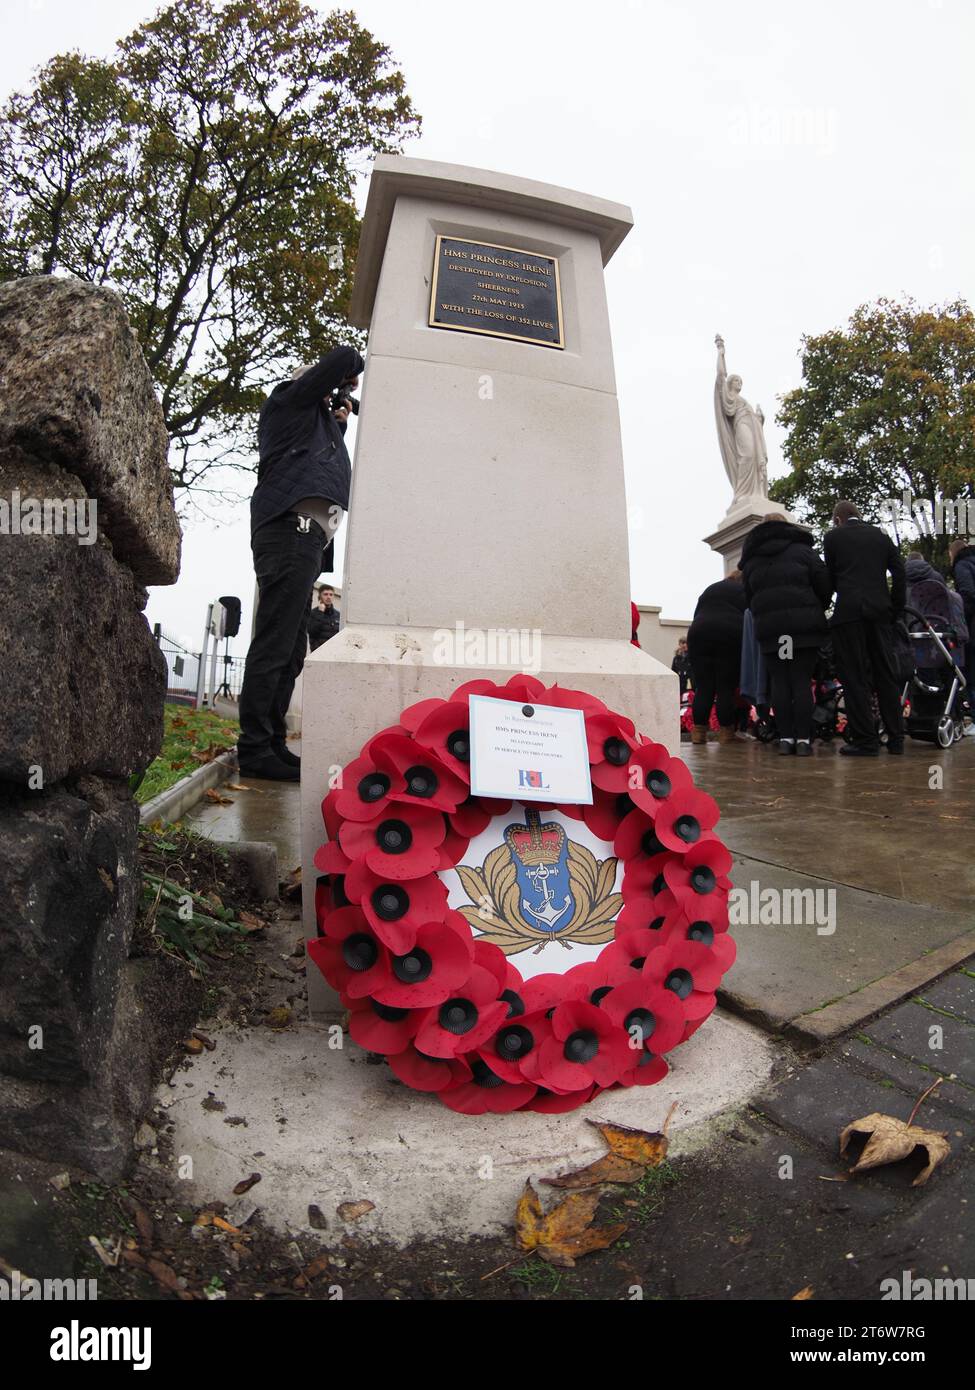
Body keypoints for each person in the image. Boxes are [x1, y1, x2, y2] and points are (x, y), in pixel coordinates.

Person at [237, 346, 364, 780]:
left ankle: (271, 743)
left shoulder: (309, 425)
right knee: (275, 643)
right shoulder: (287, 398)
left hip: (307, 539)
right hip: (289, 531)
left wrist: (340, 425)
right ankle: (253, 749)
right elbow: (344, 355)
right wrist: (350, 373)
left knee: (290, 651)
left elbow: (318, 463)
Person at [740, 514, 831, 756]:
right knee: (800, 682)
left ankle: (786, 738)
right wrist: (817, 606)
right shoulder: (803, 551)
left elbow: (748, 598)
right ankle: (803, 740)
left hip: (773, 632)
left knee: (780, 682)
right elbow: (823, 581)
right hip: (803, 629)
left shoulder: (751, 560)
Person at [824, 499, 906, 756]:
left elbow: (831, 576)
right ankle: (896, 739)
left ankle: (865, 740)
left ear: (838, 519)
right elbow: (899, 572)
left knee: (854, 677)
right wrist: (894, 607)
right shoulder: (880, 536)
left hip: (849, 614)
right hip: (880, 612)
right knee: (886, 675)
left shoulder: (833, 538)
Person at [685, 574, 746, 744]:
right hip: (730, 633)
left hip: (699, 632)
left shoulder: (710, 589)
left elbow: (697, 613)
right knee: (725, 687)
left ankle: (698, 732)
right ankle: (726, 733)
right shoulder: (742, 589)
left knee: (704, 686)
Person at [949, 537, 975, 726]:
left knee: (970, 675)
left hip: (972, 626)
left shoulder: (961, 566)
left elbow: (967, 594)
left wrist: (960, 620)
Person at [308, 585, 340, 651]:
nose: (328, 597)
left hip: (334, 653)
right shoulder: (313, 613)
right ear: (320, 596)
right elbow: (312, 632)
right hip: (318, 654)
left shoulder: (338, 614)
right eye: (325, 594)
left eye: (331, 595)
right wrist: (320, 613)